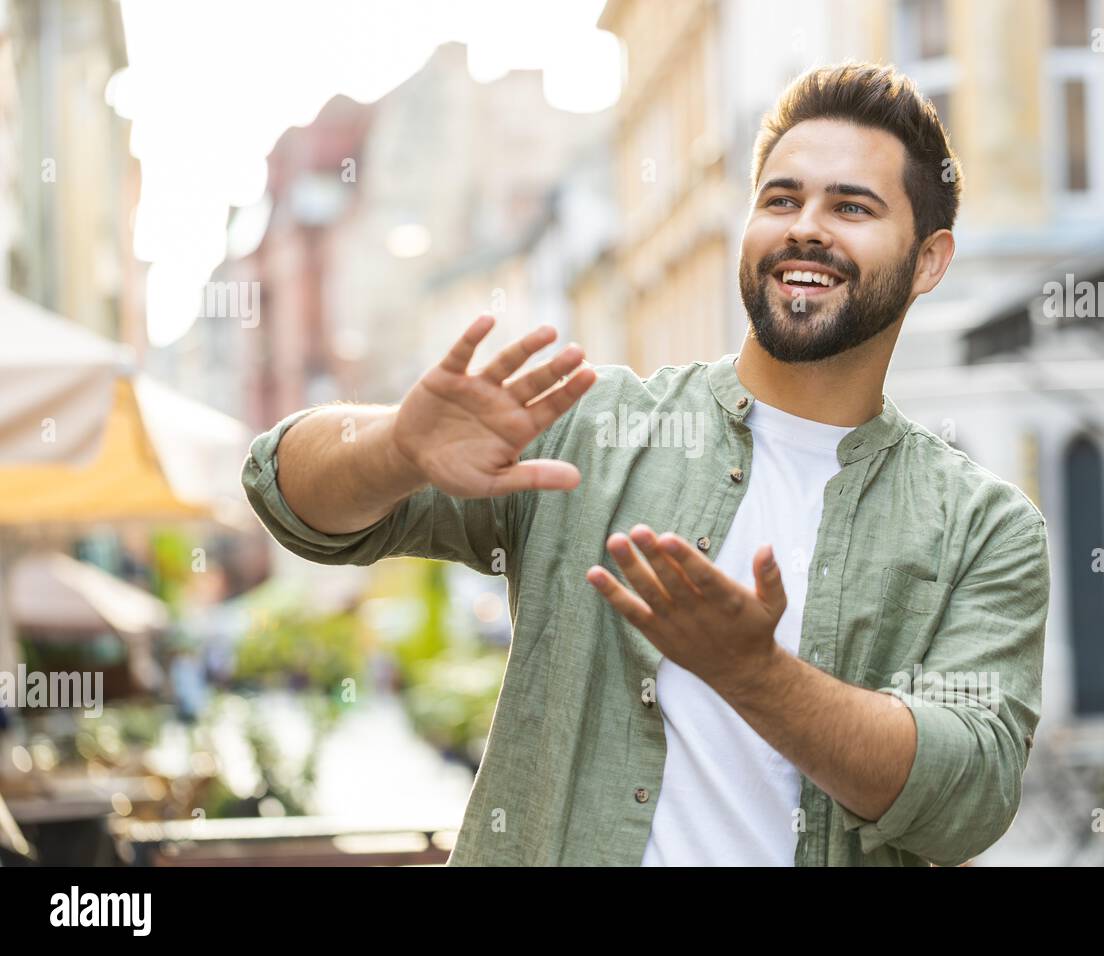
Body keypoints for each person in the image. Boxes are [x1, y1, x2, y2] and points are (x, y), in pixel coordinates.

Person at [242, 61, 1050, 866]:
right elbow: (286, 495)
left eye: (851, 206)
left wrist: (756, 673)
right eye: (781, 198)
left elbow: (968, 796)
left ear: (928, 261)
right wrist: (391, 449)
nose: (806, 226)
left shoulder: (983, 528)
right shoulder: (590, 427)